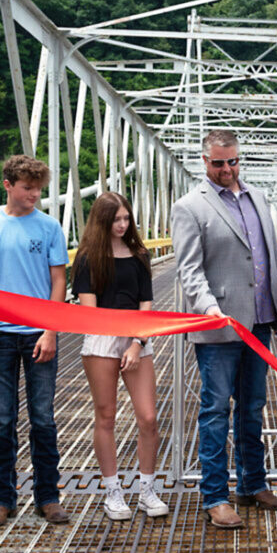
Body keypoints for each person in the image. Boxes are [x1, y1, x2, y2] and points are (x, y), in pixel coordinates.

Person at [172, 129, 277, 530]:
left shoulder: (258, 197)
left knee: (253, 407)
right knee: (215, 410)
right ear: (205, 162)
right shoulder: (190, 206)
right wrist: (210, 310)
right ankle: (216, 496)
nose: (227, 169)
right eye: (219, 163)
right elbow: (189, 269)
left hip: (258, 322)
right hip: (220, 327)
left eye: (233, 161)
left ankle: (253, 484)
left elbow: (270, 256)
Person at [0, 155, 69, 527]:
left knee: (43, 418)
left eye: (38, 189)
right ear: (8, 185)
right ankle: (1, 498)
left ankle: (48, 496)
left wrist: (51, 329)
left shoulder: (49, 227)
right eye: (28, 188)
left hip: (37, 334)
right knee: (1, 419)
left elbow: (58, 281)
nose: (34, 195)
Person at [72, 192, 168, 520]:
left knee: (149, 417)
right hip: (101, 340)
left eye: (126, 218)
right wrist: (119, 338)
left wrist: (136, 344)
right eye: (116, 220)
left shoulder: (139, 254)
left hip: (138, 338)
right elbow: (89, 310)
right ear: (102, 221)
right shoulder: (86, 258)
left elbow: (146, 302)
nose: (123, 225)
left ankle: (147, 489)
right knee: (106, 415)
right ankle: (113, 491)